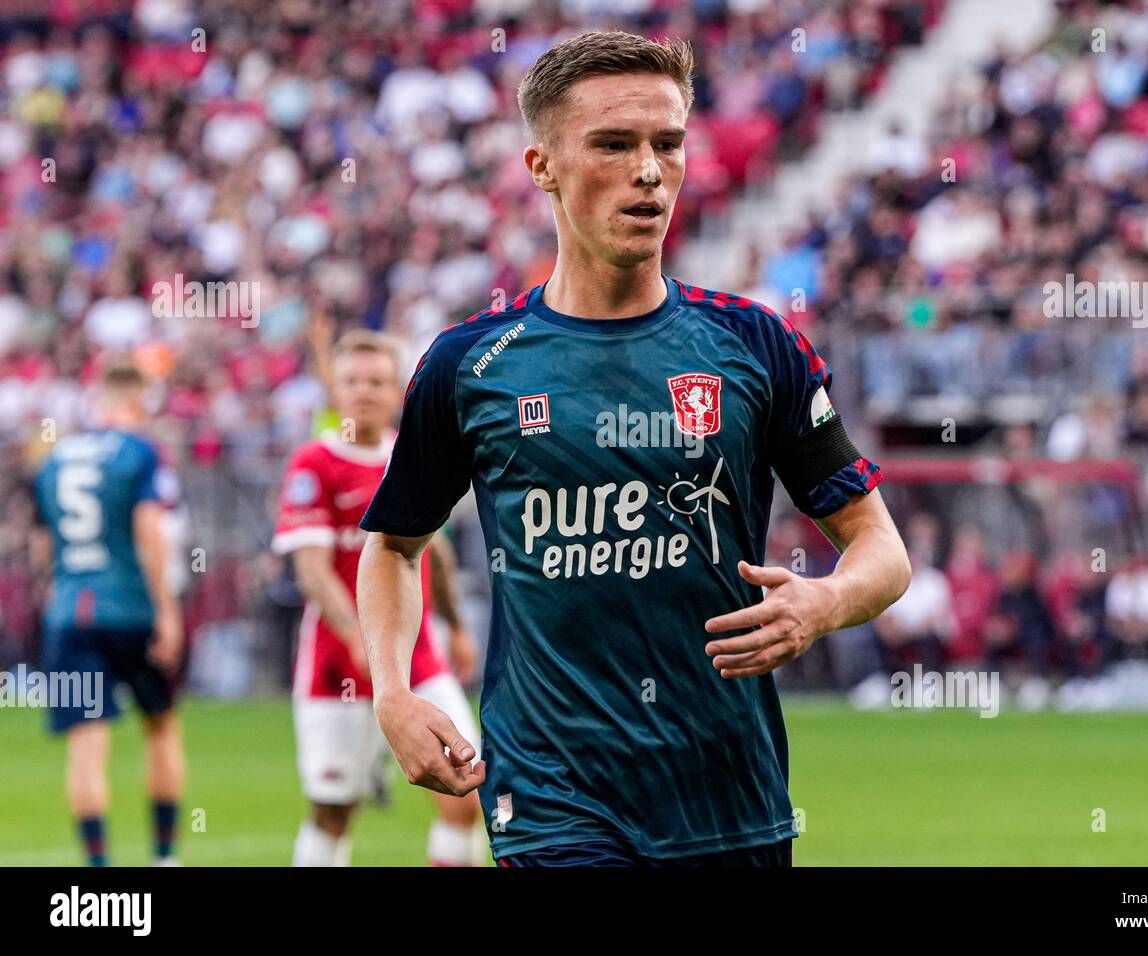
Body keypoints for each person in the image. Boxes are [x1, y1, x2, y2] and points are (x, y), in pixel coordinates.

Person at [356, 30, 911, 867]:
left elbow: (882, 549)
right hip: (551, 799)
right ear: (542, 166)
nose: (649, 171)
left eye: (668, 143)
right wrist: (392, 693)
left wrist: (822, 604)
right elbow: (394, 546)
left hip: (729, 793)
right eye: (614, 145)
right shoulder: (469, 365)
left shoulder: (754, 345)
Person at [272, 330, 484, 866]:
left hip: (420, 660)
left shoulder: (412, 456)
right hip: (335, 667)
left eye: (376, 381)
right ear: (333, 392)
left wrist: (455, 625)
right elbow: (315, 576)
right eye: (351, 381)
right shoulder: (312, 465)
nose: (363, 392)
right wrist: (370, 653)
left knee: (467, 790)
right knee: (333, 810)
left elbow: (431, 554)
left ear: (399, 392)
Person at [32, 358, 185, 866]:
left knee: (86, 747)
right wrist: (166, 609)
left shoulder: (54, 459)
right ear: (139, 400)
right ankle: (164, 859)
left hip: (70, 615)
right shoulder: (140, 451)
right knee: (161, 729)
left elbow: (41, 549)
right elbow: (149, 528)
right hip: (131, 610)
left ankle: (99, 870)